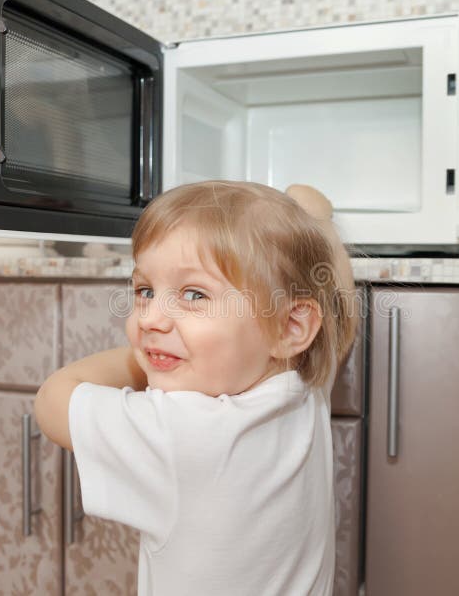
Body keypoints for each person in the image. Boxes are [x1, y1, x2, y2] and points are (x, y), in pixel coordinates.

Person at [34, 180, 359, 596]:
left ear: (290, 328)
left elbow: (53, 399)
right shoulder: (301, 385)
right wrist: (319, 222)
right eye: (146, 290)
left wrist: (144, 355)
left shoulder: (178, 431)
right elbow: (339, 314)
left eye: (193, 294)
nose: (151, 318)